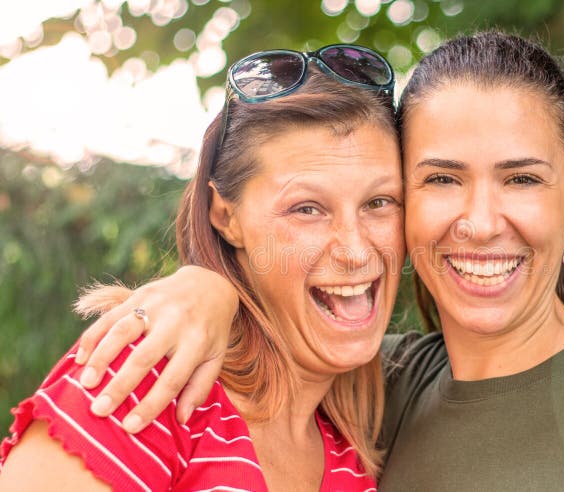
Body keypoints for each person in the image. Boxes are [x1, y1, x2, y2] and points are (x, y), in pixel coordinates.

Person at [20, 31, 564, 490]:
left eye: (522, 179)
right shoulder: (369, 389)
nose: (481, 222)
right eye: (440, 180)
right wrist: (205, 284)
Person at [0, 44, 406, 491]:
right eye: (307, 209)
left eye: (379, 202)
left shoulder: (357, 456)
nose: (355, 250)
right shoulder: (146, 378)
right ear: (225, 217)